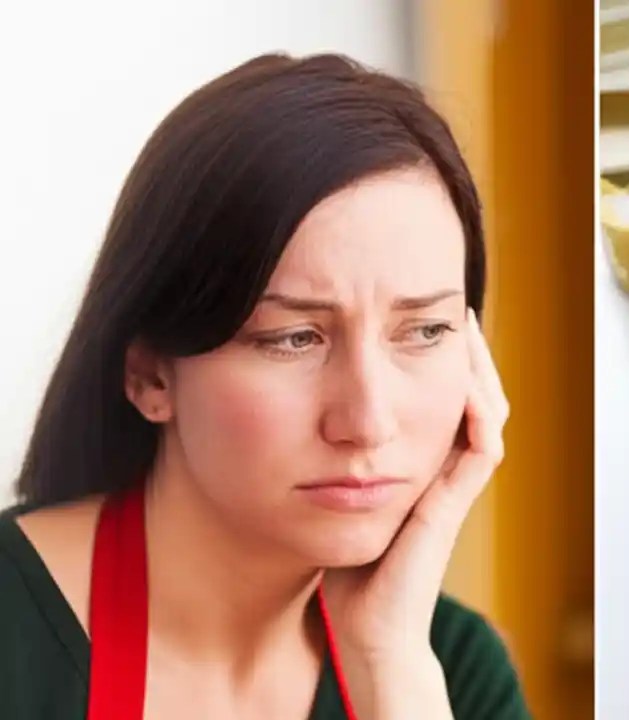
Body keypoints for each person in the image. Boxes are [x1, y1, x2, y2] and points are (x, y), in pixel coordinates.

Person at [0, 52, 528, 719]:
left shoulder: (448, 665)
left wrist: (387, 666)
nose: (368, 421)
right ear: (150, 373)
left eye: (423, 331)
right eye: (293, 339)